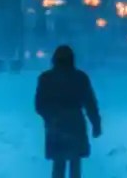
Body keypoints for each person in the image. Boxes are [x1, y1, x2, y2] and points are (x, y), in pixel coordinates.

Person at [35, 45, 102, 178]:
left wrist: (49, 117)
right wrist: (96, 124)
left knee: (58, 163)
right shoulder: (80, 77)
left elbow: (39, 104)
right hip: (75, 122)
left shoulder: (46, 78)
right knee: (75, 162)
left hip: (56, 124)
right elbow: (90, 103)